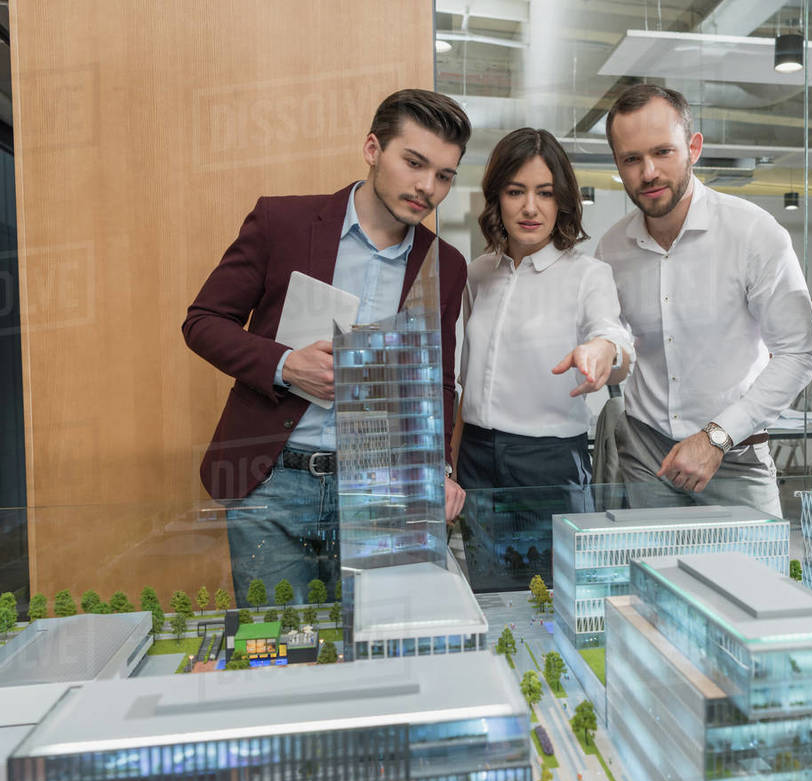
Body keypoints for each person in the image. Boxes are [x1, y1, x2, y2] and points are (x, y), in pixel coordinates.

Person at [183, 89, 471, 606]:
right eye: (414, 163)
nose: (427, 187)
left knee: (373, 654)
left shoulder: (445, 263)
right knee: (278, 654)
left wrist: (439, 470)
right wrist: (285, 364)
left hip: (381, 490)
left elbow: (438, 379)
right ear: (372, 149)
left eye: (445, 175)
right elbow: (203, 321)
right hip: (272, 482)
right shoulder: (282, 223)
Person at [595, 84, 812, 517]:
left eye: (663, 152)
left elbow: (800, 353)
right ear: (618, 164)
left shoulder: (754, 233)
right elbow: (613, 343)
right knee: (656, 580)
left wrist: (717, 436)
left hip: (736, 457)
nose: (648, 173)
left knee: (758, 584)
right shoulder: (611, 249)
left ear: (693, 148)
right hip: (647, 459)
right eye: (631, 159)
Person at [457, 127, 632, 497]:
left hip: (548, 462)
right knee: (478, 558)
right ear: (497, 199)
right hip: (474, 456)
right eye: (515, 191)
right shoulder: (478, 273)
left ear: (562, 201)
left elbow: (613, 341)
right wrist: (451, 468)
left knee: (554, 558)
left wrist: (604, 351)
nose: (530, 207)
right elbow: (466, 385)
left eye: (545, 193)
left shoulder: (588, 275)